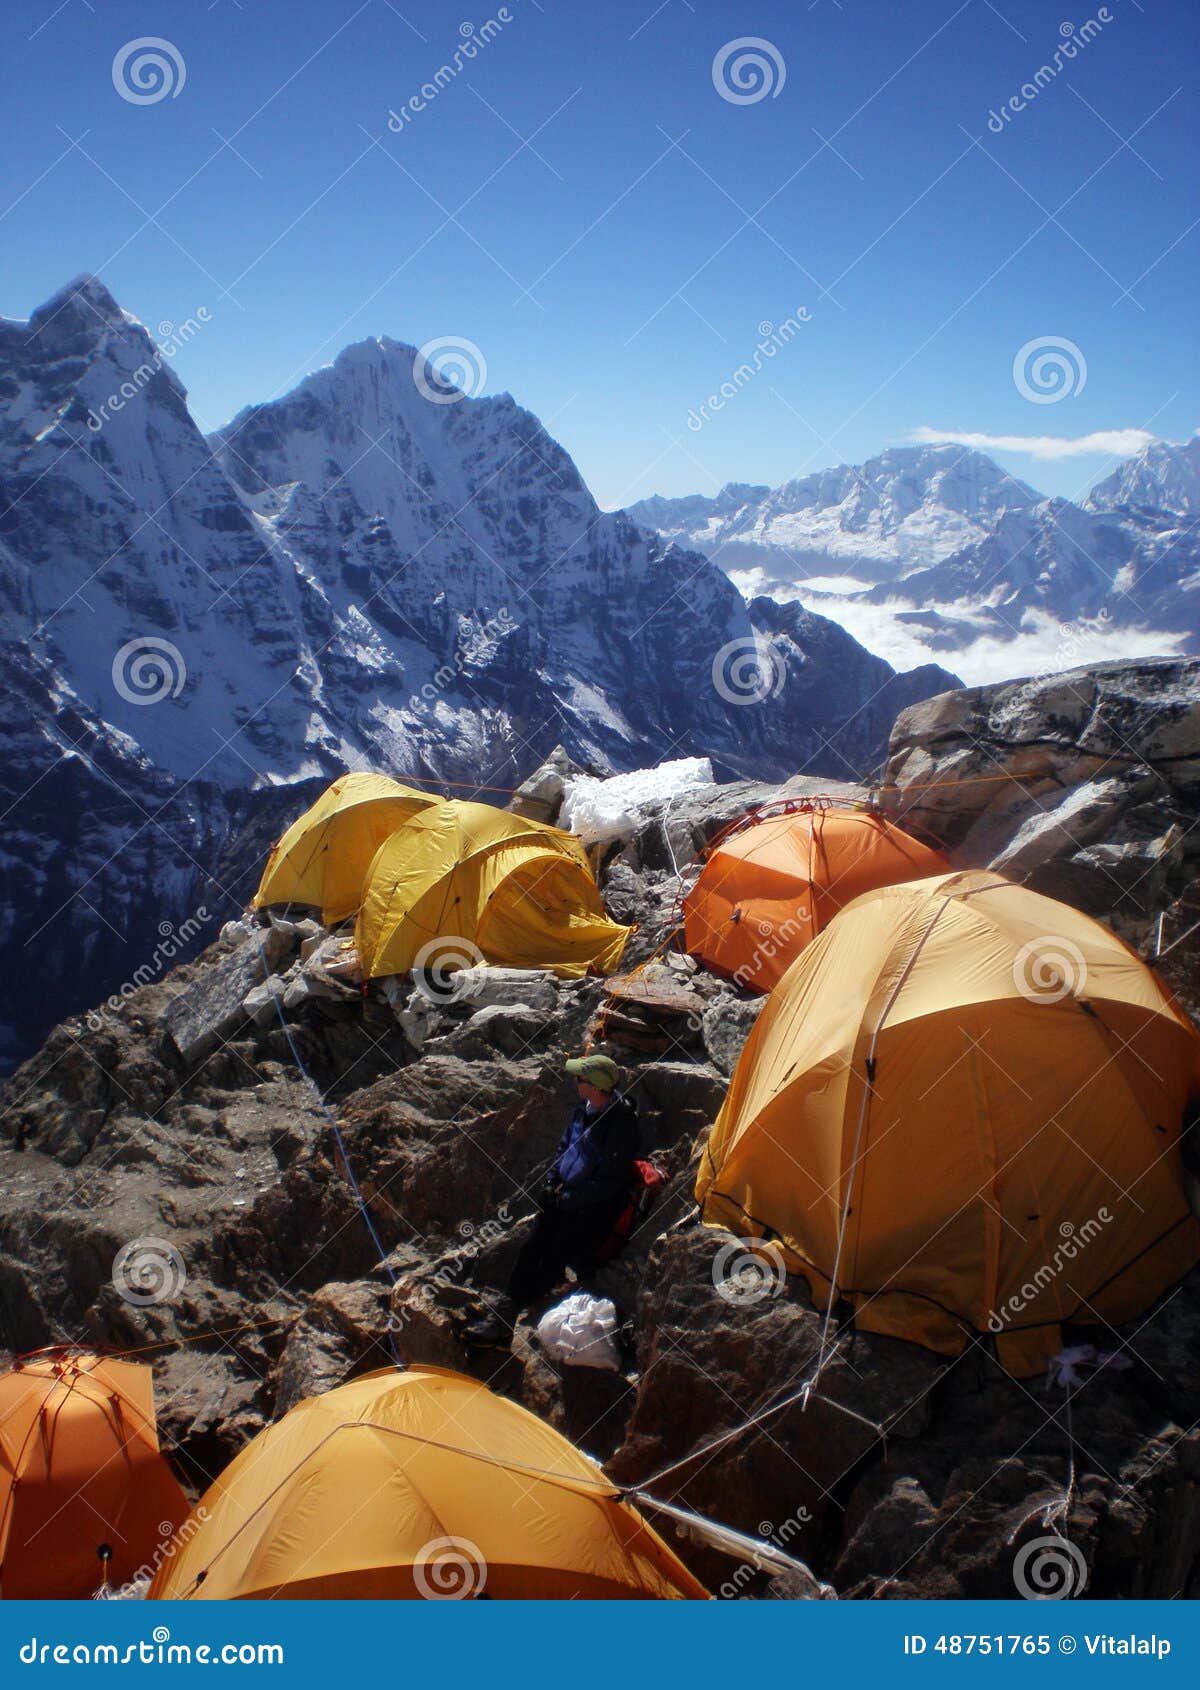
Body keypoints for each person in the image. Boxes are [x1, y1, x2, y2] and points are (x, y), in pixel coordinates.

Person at [466, 1054, 639, 1346]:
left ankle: (505, 1318)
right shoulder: (582, 1111)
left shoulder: (621, 1127)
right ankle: (507, 1306)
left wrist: (571, 1199)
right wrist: (552, 1183)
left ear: (595, 1087)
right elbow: (563, 1149)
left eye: (580, 1078)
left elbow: (610, 1181)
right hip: (564, 1199)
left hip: (590, 1212)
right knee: (533, 1246)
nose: (575, 1082)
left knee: (551, 1257)